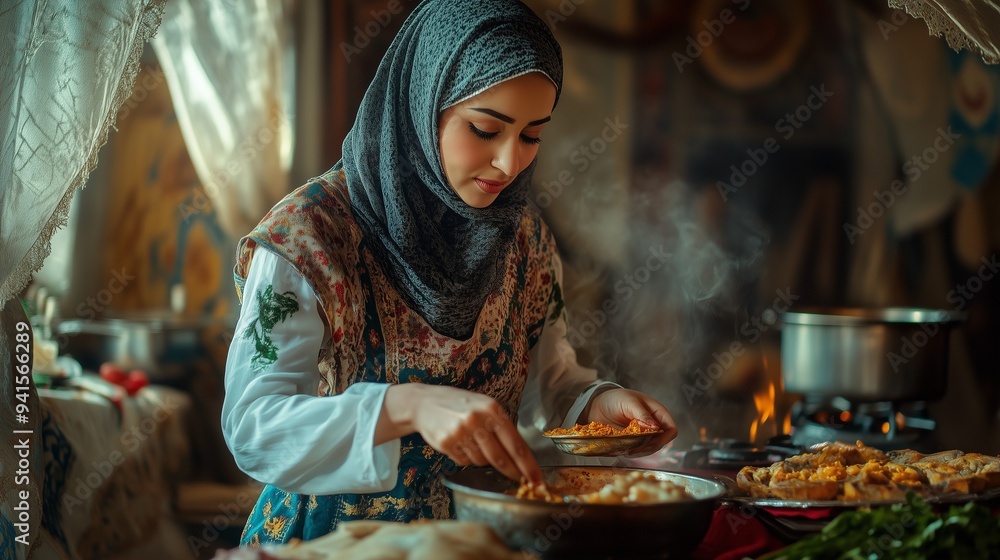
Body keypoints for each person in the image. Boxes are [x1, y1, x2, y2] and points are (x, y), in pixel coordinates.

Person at [222, 0, 678, 547]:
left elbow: (547, 384)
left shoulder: (522, 239)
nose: (509, 164)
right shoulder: (309, 237)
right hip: (335, 544)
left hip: (475, 544)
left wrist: (594, 403)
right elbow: (255, 429)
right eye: (486, 129)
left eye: (532, 136)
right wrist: (406, 404)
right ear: (422, 101)